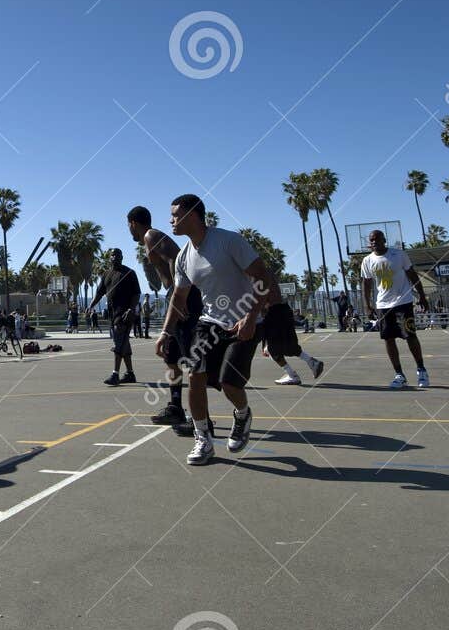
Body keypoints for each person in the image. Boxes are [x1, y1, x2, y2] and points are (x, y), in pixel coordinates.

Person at [157, 194, 278, 466]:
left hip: (245, 322)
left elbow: (263, 276)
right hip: (210, 322)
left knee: (228, 383)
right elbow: (179, 297)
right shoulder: (183, 257)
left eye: (175, 215)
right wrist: (165, 332)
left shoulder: (228, 241)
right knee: (195, 374)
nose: (171, 220)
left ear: (193, 216)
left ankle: (242, 413)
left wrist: (250, 316)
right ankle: (204, 439)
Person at [129, 205, 196, 433]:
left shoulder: (151, 235)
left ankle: (199, 420)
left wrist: (180, 296)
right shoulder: (152, 237)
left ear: (133, 223)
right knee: (172, 356)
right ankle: (176, 407)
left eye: (128, 226)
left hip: (182, 294)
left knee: (190, 359)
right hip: (176, 294)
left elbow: (174, 259)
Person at [359, 230, 430, 389]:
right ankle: (399, 374)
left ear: (384, 240)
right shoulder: (367, 261)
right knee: (388, 339)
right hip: (383, 305)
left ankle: (421, 370)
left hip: (403, 302)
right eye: (372, 240)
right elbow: (366, 284)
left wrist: (422, 296)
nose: (374, 242)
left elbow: (412, 275)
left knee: (410, 336)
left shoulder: (398, 255)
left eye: (377, 239)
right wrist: (367, 305)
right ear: (369, 243)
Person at [90, 248, 141, 386]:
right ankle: (130, 374)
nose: (115, 257)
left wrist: (131, 309)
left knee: (119, 343)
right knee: (124, 343)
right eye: (113, 254)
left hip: (124, 313)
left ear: (122, 257)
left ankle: (115, 374)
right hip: (113, 314)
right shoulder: (106, 274)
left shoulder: (129, 273)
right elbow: (99, 293)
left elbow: (137, 293)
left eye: (118, 254)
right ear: (109, 257)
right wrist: (91, 305)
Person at [261, 299, 324, 385]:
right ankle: (312, 362)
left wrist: (263, 344)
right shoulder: (274, 290)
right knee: (291, 347)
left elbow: (263, 319)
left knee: (271, 350)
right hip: (285, 311)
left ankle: (292, 375)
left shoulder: (260, 294)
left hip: (274, 316)